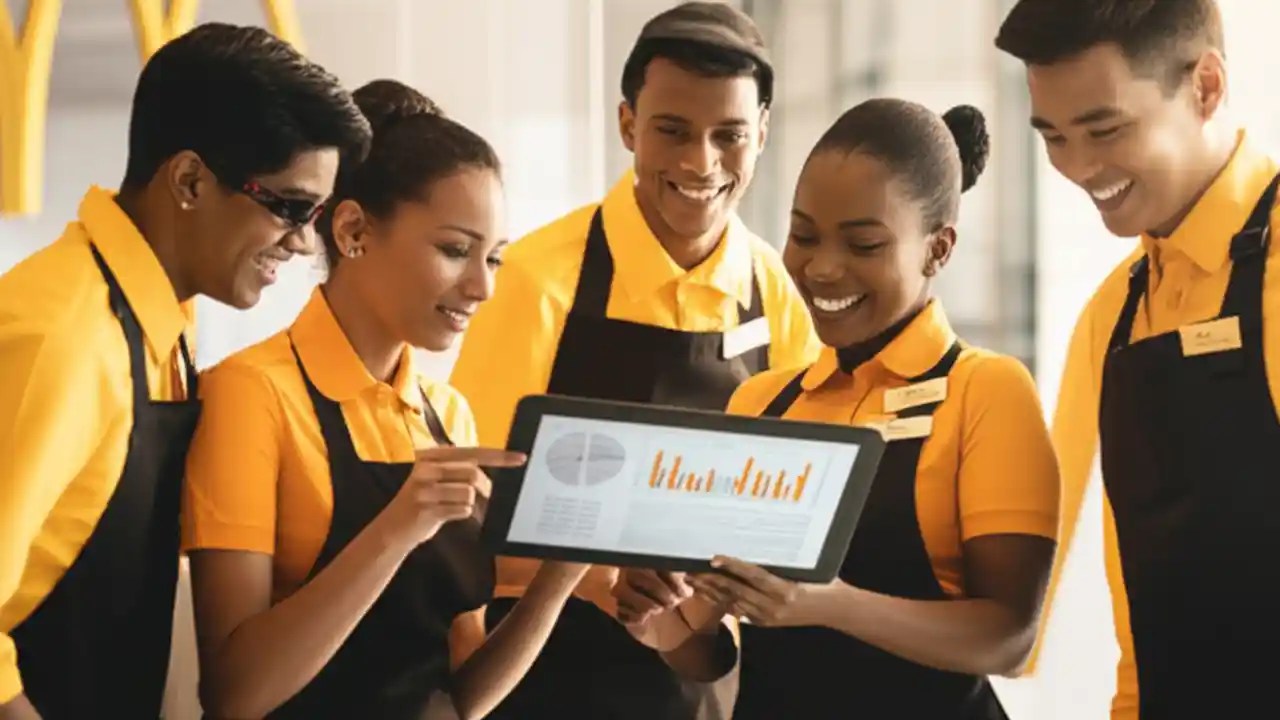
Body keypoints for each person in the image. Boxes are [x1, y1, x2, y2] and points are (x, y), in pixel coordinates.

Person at [449, 3, 819, 717]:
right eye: (672, 130)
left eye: (730, 136)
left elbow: (792, 507)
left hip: (705, 686)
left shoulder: (774, 291)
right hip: (545, 679)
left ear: (763, 135)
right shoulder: (535, 279)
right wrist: (600, 577)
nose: (700, 163)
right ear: (628, 125)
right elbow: (466, 525)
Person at [182, 79, 591, 720]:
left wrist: (561, 576)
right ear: (351, 231)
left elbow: (465, 695)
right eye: (456, 251)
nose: (482, 286)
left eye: (495, 259)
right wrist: (398, 526)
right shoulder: (250, 393)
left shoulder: (446, 412)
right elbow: (234, 695)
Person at [644, 100, 1061, 719]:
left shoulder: (986, 391)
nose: (822, 267)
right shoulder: (760, 403)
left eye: (864, 244)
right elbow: (703, 650)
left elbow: (1007, 637)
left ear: (938, 249)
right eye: (803, 234)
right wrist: (660, 620)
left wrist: (828, 604)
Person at [0, 23, 368, 720]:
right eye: (289, 208)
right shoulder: (62, 336)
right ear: (191, 181)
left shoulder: (164, 323)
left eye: (315, 214)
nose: (301, 242)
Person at [995, 2, 1280, 717]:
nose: (1079, 166)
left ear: (1206, 87)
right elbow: (1133, 598)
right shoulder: (1112, 315)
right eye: (1054, 137)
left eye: (1105, 129)